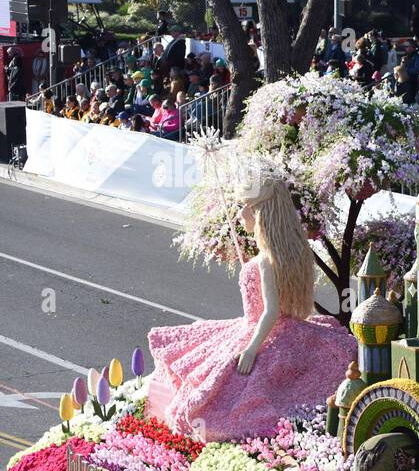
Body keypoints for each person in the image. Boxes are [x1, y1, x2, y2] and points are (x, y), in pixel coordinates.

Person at [146, 175, 355, 441]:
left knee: (226, 392)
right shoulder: (296, 251)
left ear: (259, 212)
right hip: (289, 328)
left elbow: (270, 312)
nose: (239, 212)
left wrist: (252, 349)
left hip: (261, 331)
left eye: (244, 205)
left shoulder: (266, 260)